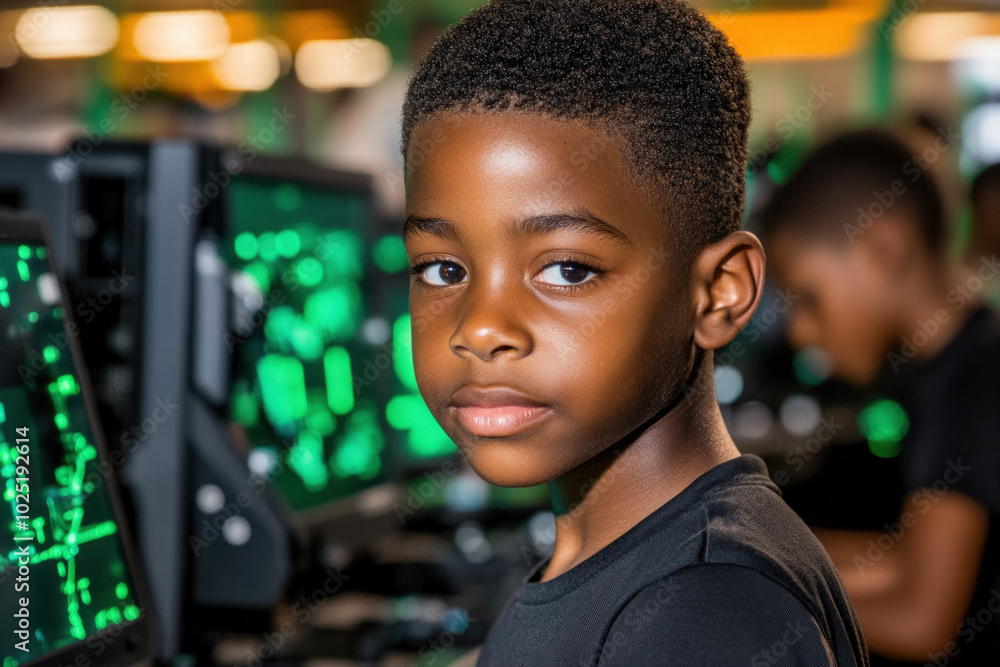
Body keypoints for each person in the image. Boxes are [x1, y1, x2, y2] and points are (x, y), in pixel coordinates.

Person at [397, 0, 870, 664]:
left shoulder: (700, 619)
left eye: (567, 269)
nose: (479, 329)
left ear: (718, 292)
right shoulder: (635, 562)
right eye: (443, 268)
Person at [759, 128, 1000, 665]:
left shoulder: (974, 383)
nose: (799, 332)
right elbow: (906, 560)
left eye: (807, 298)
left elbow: (922, 620)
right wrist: (755, 550)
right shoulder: (944, 370)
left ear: (884, 249)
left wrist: (740, 597)